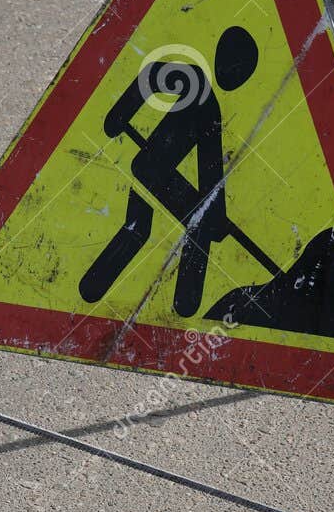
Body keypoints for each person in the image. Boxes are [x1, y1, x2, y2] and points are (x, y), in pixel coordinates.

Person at [78, 25, 259, 316]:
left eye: (242, 75)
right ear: (225, 60)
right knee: (198, 226)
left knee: (138, 227)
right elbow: (149, 76)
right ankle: (185, 305)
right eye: (237, 70)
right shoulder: (197, 84)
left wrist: (217, 213)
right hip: (151, 170)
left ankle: (90, 290)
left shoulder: (209, 104)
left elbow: (209, 169)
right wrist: (117, 117)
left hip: (148, 169)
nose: (236, 79)